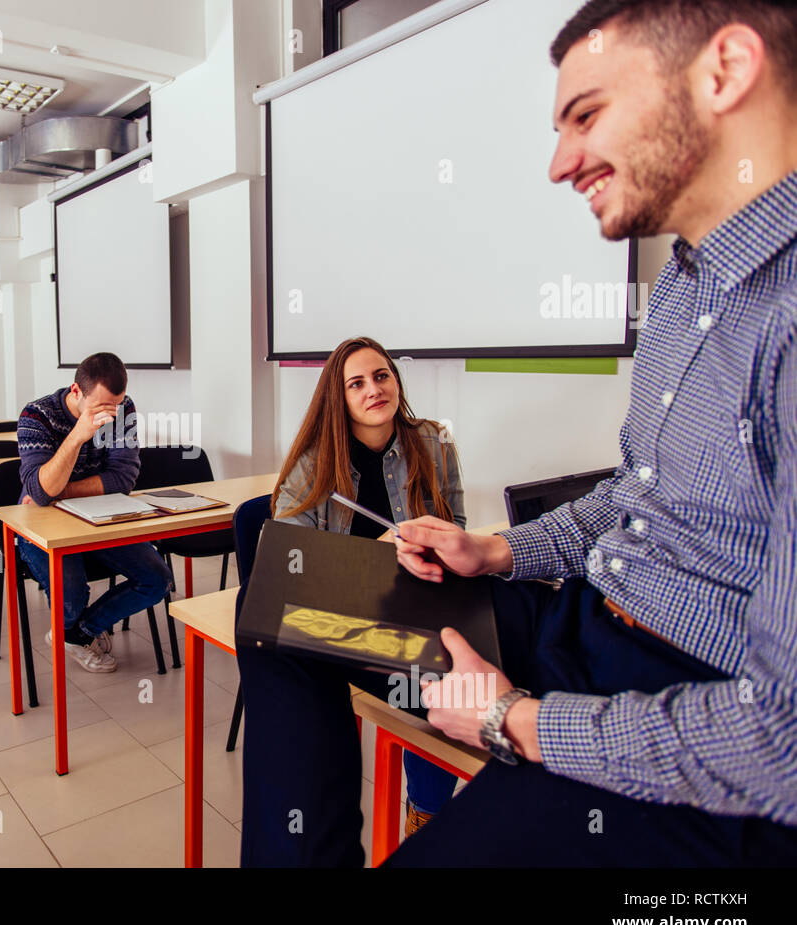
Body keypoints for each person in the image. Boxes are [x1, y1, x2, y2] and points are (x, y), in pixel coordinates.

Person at [241, 0, 797, 867]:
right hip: (575, 621)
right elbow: (630, 493)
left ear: (724, 71)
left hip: (686, 710)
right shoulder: (687, 288)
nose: (559, 162)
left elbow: (783, 739)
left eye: (586, 115)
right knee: (279, 600)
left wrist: (517, 720)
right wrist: (495, 553)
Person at [252, 336, 465, 845]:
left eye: (382, 376)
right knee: (432, 677)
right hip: (338, 614)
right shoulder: (314, 461)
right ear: (339, 397)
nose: (374, 389)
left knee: (466, 667)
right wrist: (375, 554)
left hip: (417, 598)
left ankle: (429, 815)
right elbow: (289, 565)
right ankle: (414, 819)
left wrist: (438, 546)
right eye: (357, 383)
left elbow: (457, 523)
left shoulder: (434, 442)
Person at [16, 353, 170, 673]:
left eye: (115, 406)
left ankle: (77, 633)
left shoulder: (122, 409)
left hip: (101, 516)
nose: (108, 416)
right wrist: (77, 435)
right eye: (99, 408)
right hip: (40, 525)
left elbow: (122, 480)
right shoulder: (37, 415)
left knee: (157, 579)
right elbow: (40, 490)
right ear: (76, 391)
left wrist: (60, 492)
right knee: (72, 592)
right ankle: (74, 627)